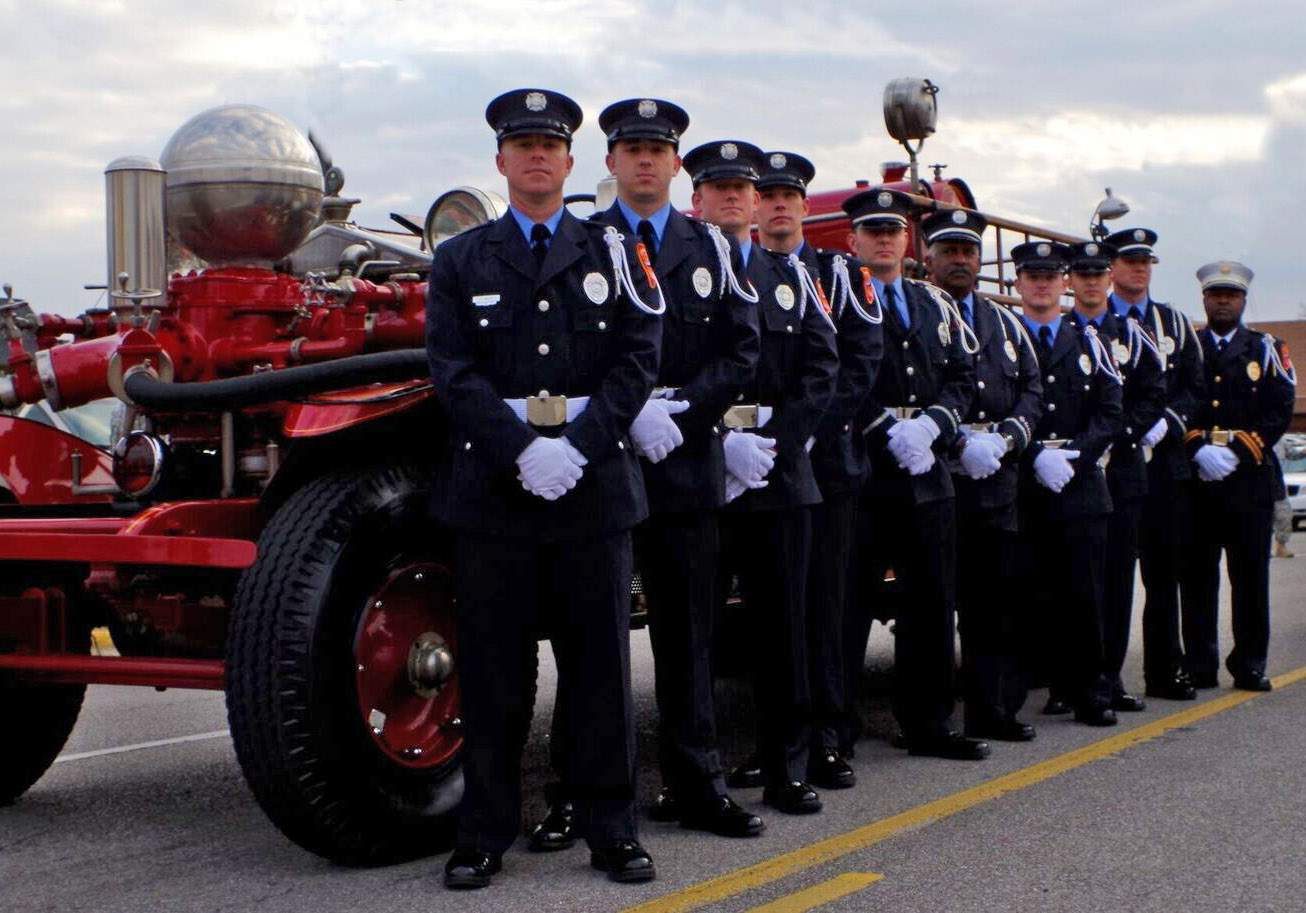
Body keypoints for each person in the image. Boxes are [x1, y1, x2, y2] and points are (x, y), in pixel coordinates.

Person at [426, 88, 661, 889]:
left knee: (598, 670)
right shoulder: (461, 260)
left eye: (548, 145)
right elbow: (452, 372)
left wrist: (579, 450)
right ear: (499, 161)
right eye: (520, 144)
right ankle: (484, 831)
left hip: (592, 489)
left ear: (569, 162)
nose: (535, 156)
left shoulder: (616, 251)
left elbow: (638, 360)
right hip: (497, 489)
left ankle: (611, 829)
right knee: (493, 675)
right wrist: (523, 449)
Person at [530, 97, 764, 844]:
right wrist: (626, 411)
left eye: (657, 150)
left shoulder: (713, 250)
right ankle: (579, 792)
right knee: (590, 636)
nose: (643, 160)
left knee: (688, 634)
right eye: (630, 149)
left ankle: (699, 784)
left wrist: (686, 411)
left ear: (674, 165)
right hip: (601, 463)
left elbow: (742, 352)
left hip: (685, 465)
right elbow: (562, 351)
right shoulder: (580, 241)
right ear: (608, 162)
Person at [686, 139, 840, 814]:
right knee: (698, 631)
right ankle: (696, 774)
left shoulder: (789, 277)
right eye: (715, 187)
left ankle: (788, 767)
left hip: (779, 476)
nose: (731, 197)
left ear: (756, 201)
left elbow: (821, 369)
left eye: (741, 188)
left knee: (785, 629)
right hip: (698, 472)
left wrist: (771, 445)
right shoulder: (671, 273)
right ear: (696, 200)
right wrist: (720, 443)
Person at [842, 188, 987, 760]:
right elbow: (830, 375)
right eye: (873, 231)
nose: (884, 239)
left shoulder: (934, 305)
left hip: (927, 474)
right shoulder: (838, 298)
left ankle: (929, 722)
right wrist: (884, 430)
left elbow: (961, 374)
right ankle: (837, 730)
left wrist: (932, 427)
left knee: (930, 603)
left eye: (893, 231)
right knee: (849, 607)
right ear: (854, 240)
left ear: (909, 241)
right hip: (864, 474)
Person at [756, 151, 884, 787]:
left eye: (790, 196)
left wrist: (809, 429)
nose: (779, 204)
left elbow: (862, 361)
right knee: (771, 610)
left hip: (827, 461)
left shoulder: (839, 273)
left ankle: (830, 736)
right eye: (769, 194)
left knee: (827, 604)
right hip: (757, 463)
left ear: (807, 208)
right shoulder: (741, 271)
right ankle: (773, 741)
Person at [922, 208, 1043, 742]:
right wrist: (957, 440)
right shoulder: (923, 314)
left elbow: (1034, 392)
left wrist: (1007, 438)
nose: (960, 260)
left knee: (995, 605)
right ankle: (934, 718)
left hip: (997, 481)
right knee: (932, 605)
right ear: (928, 257)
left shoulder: (1008, 322)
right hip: (939, 478)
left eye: (968, 251)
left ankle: (994, 709)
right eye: (949, 251)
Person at [1012, 240, 1123, 727]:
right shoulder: (1007, 337)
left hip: (1079, 487)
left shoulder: (1092, 340)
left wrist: (1074, 459)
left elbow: (1110, 410)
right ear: (1018, 283)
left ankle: (1090, 692)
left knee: (1084, 595)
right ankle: (1028, 691)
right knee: (1026, 593)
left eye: (1050, 275)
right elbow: (995, 406)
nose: (1041, 283)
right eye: (1032, 275)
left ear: (1065, 284)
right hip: (1022, 483)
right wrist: (1034, 455)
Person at [1180, 261, 1296, 691]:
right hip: (1197, 480)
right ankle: (1199, 664)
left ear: (1244, 300)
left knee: (1249, 578)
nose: (1223, 301)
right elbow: (1178, 400)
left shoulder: (1266, 348)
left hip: (1248, 482)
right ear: (1204, 300)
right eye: (1216, 295)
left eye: (1231, 295)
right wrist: (1196, 445)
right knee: (1196, 578)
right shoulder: (1187, 347)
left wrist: (1242, 451)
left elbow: (1280, 406)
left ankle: (1249, 663)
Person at [1063, 240, 1166, 714]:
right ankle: (1068, 681)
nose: (1089, 281)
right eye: (1081, 273)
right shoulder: (1059, 332)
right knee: (1070, 580)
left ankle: (1109, 677)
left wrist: (1117, 436)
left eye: (1097, 273)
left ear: (1109, 279)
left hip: (1121, 472)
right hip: (1070, 474)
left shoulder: (1133, 333)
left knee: (1116, 581)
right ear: (1070, 281)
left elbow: (1152, 396)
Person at [1105, 228, 1206, 701]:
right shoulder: (1096, 322)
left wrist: (1169, 420)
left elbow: (1194, 385)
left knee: (1165, 574)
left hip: (1165, 465)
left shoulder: (1174, 323)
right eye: (1129, 261)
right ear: (1111, 268)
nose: (1139, 269)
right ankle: (1104, 678)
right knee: (1112, 576)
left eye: (1145, 261)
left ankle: (1167, 670)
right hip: (1115, 464)